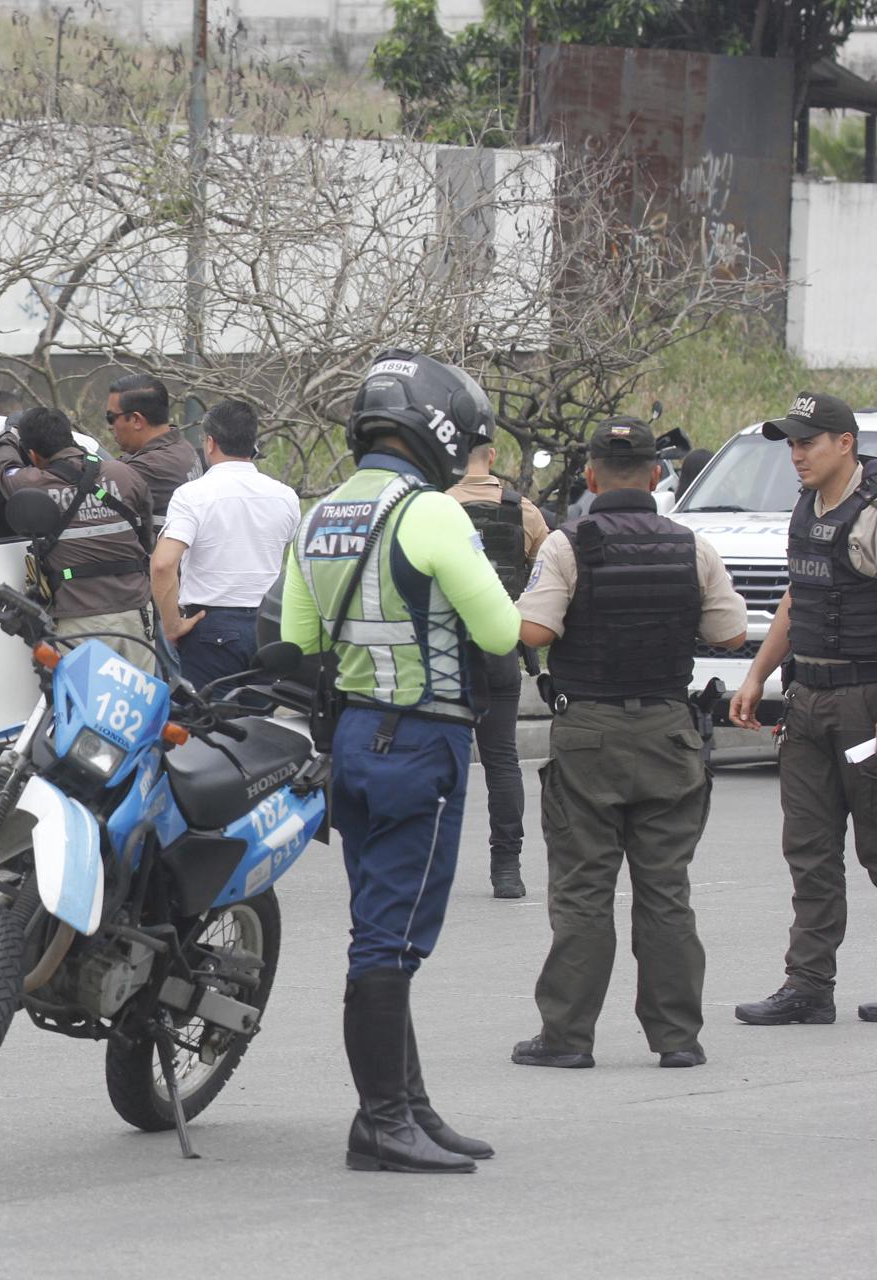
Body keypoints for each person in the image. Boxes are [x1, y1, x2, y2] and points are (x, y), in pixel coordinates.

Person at [279, 350, 519, 1174]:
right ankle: (381, 1123)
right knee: (391, 943)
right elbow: (499, 634)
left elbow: (298, 642)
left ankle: (408, 1107)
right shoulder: (431, 513)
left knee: (377, 927)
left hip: (353, 745)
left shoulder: (317, 517)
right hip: (423, 744)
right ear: (441, 432)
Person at [509, 417, 746, 1071]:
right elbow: (729, 632)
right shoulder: (690, 546)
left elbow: (533, 631)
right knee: (665, 889)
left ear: (588, 475)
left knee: (584, 888)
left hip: (588, 733)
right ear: (656, 475)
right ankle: (677, 1037)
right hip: (669, 731)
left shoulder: (567, 545)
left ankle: (566, 1037)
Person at [731, 391, 877, 1027]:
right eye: (791, 443)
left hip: (867, 704)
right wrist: (757, 673)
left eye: (807, 442)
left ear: (844, 443)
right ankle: (808, 987)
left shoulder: (871, 514)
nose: (796, 455)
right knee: (810, 852)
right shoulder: (804, 507)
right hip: (807, 701)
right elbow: (799, 595)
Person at [448, 438, 550, 897]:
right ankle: (506, 867)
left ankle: (427, 863)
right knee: (502, 762)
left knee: (435, 762)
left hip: (444, 654)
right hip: (500, 649)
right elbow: (546, 575)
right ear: (492, 455)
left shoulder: (434, 508)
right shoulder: (525, 510)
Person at [0, 406, 155, 669]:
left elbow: (4, 469)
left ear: (33, 454)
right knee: (140, 705)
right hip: (135, 615)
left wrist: (10, 434)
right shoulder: (124, 474)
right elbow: (147, 536)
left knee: (86, 706)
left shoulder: (32, 483)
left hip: (81, 620)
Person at [151, 399, 299, 688]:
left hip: (210, 628)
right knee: (261, 725)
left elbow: (162, 563)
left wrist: (172, 625)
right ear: (252, 442)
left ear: (210, 442)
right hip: (270, 626)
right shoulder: (285, 496)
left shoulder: (191, 495)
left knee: (209, 726)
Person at [106, 372, 202, 524]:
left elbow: (92, 494)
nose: (109, 426)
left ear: (137, 420)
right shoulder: (181, 446)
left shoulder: (149, 467)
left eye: (111, 418)